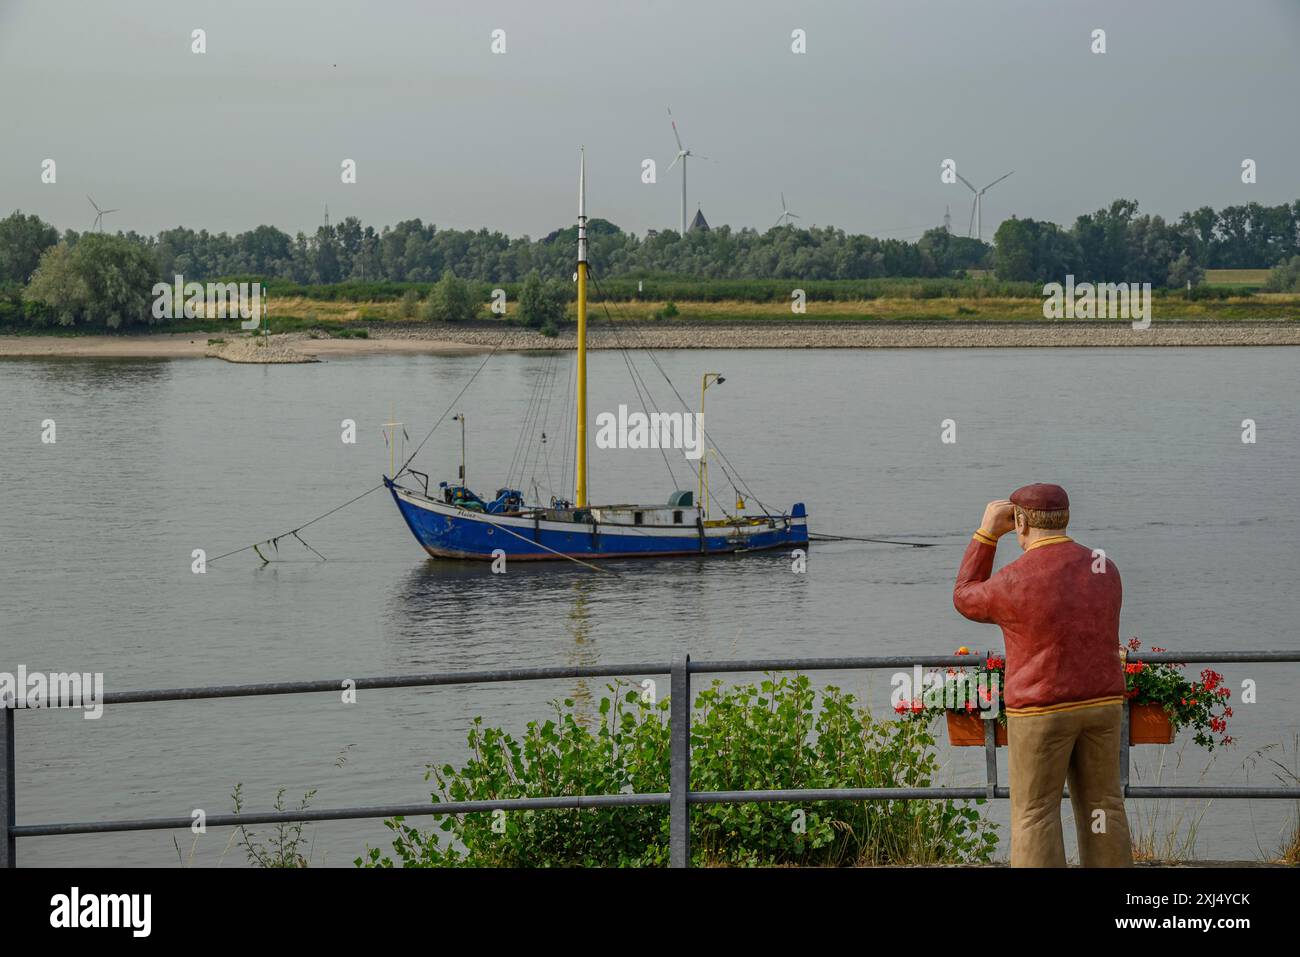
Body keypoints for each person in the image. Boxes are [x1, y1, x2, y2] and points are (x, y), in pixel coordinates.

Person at [953, 483, 1132, 867]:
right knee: (1105, 806)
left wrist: (986, 534)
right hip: (1103, 703)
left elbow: (965, 596)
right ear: (1065, 516)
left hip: (1040, 710)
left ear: (1020, 520)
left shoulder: (1013, 579)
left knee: (1036, 814)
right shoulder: (1105, 567)